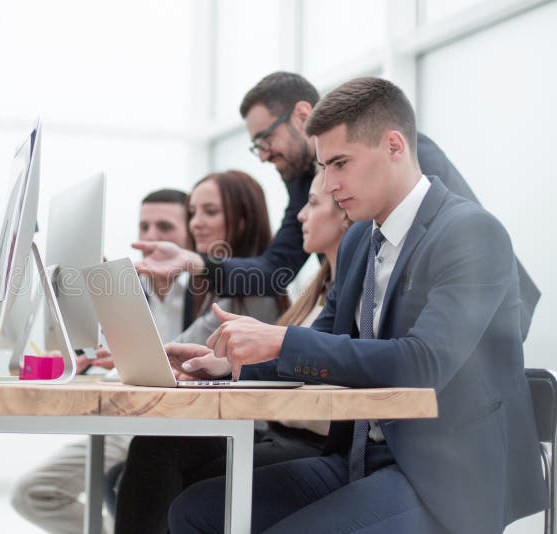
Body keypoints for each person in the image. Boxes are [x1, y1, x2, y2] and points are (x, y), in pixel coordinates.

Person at [167, 77, 546, 534]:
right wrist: (231, 363)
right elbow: (323, 343)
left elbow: (422, 363)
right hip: (362, 457)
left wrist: (278, 339)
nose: (330, 183)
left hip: (443, 474)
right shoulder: (358, 243)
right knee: (194, 511)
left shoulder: (471, 233)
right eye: (325, 166)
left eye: (341, 164)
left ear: (394, 146)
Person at [134, 71, 540, 340]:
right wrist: (196, 263)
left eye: (264, 140)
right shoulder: (303, 179)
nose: (261, 155)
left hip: (480, 326)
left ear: (301, 116)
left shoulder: (403, 159)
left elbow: (461, 251)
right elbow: (277, 271)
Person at [113, 170, 347, 533]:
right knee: (153, 451)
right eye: (194, 212)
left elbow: (311, 365)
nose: (299, 215)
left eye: (312, 205)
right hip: (277, 430)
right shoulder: (318, 288)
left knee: (162, 465)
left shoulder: (333, 294)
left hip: (300, 437)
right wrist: (223, 366)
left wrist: (227, 366)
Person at [11, 189, 195, 534]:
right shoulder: (126, 287)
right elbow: (99, 352)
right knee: (31, 495)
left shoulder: (204, 293)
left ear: (189, 235)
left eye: (165, 227)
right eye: (145, 226)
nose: (152, 237)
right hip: (127, 425)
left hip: (173, 428)